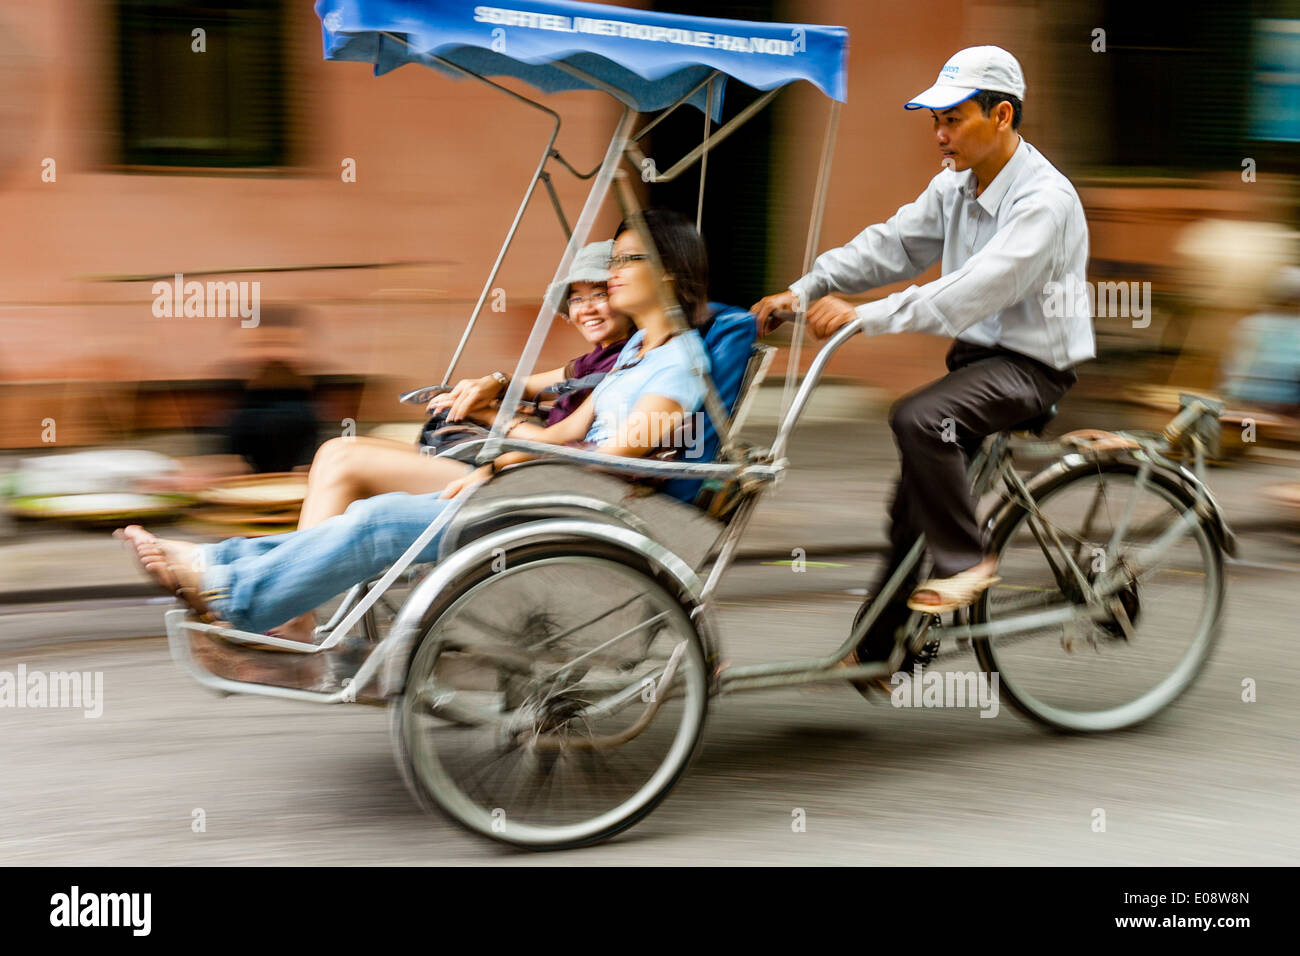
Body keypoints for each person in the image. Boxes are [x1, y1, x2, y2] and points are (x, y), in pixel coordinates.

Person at [117, 211, 714, 638]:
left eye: (626, 261)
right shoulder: (637, 354)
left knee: (377, 520)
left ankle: (242, 595)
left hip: (568, 508)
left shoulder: (680, 363)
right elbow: (564, 436)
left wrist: (501, 465)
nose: (611, 276)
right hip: (542, 489)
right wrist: (502, 443)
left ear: (668, 274)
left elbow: (608, 458)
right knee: (361, 512)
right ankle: (221, 568)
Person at [753, 46, 1094, 676]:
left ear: (1003, 116)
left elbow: (980, 287)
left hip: (1032, 371)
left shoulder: (1044, 202)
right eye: (935, 121)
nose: (940, 135)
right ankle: (884, 654)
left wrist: (867, 315)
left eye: (954, 120)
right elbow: (890, 245)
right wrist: (807, 288)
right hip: (976, 365)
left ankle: (967, 561)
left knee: (917, 417)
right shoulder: (955, 187)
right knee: (909, 504)